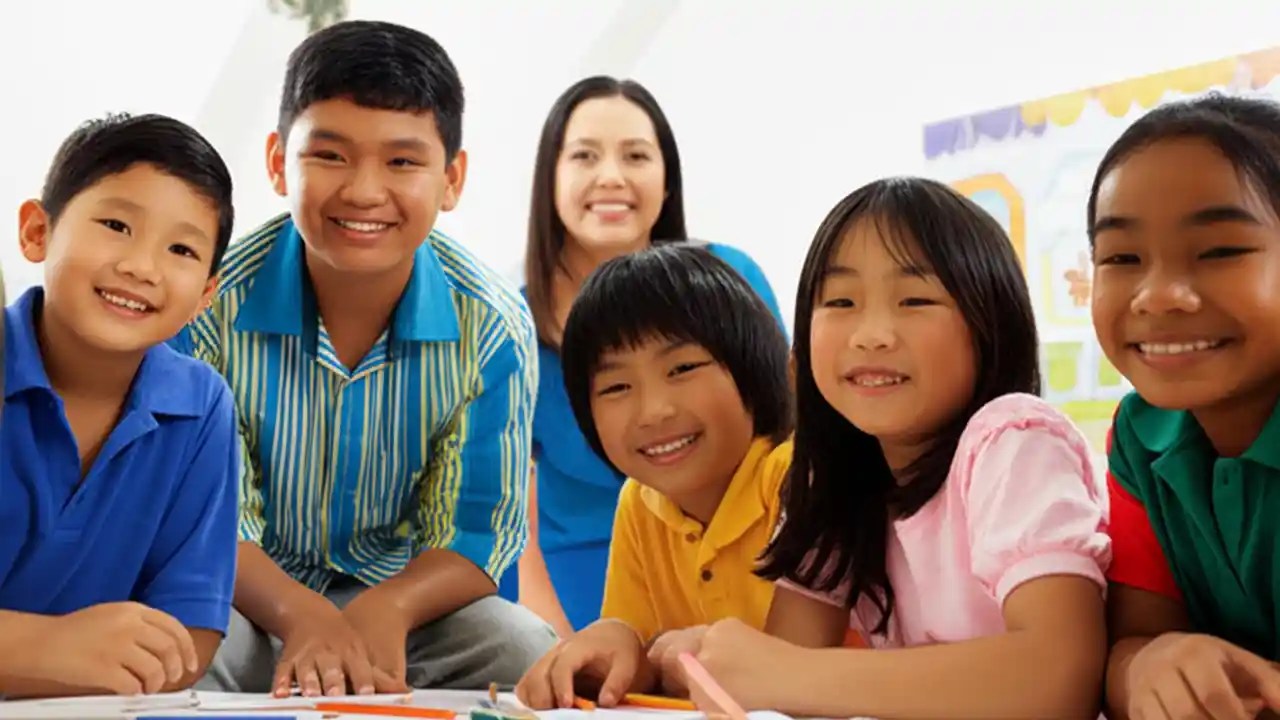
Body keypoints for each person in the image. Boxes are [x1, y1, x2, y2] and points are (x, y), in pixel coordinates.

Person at [174, 20, 555, 696]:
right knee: (176, 651)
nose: (364, 191)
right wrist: (303, 615)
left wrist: (388, 608)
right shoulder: (210, 303)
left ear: (452, 179)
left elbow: (475, 531)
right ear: (275, 163)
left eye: (403, 162)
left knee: (521, 647)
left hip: (406, 613)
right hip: (245, 604)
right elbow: (206, 517)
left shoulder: (491, 322)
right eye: (330, 156)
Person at [687, 178, 1111, 719]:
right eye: (840, 301)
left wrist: (780, 673)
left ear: (992, 324)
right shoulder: (838, 481)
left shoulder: (1011, 441)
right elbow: (784, 672)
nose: (873, 334)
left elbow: (1058, 678)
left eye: (914, 300)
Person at [508, 76, 785, 635]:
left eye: (636, 155)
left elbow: (791, 428)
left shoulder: (732, 278)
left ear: (666, 181)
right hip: (582, 577)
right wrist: (551, 640)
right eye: (585, 155)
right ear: (551, 178)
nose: (611, 176)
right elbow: (513, 512)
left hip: (746, 561)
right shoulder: (511, 324)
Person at [0, 113, 238, 697]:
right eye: (115, 224)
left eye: (181, 248)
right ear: (37, 231)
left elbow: (191, 633)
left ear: (207, 293)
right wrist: (46, 650)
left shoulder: (201, 405)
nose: (141, 267)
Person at [515, 244, 792, 708]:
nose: (653, 411)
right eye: (616, 387)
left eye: (682, 369)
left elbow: (815, 665)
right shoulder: (640, 502)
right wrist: (616, 652)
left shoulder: (793, 480)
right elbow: (644, 653)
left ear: (753, 367)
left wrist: (690, 658)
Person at [1092, 94, 1280, 720]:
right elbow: (1131, 643)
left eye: (1220, 251)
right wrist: (1153, 663)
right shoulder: (1142, 433)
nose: (1158, 295)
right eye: (1121, 258)